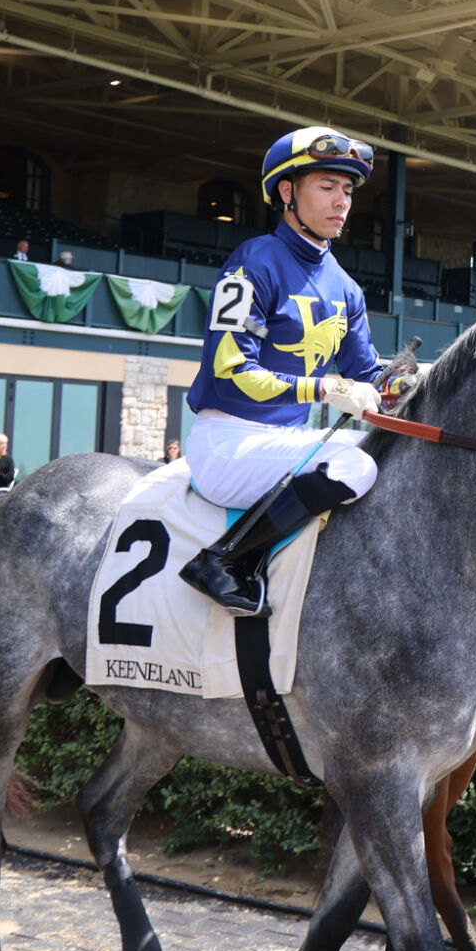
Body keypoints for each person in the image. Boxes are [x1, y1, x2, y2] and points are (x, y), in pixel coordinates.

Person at [179, 125, 405, 618]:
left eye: (347, 190)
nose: (341, 201)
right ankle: (227, 560)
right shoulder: (252, 262)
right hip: (228, 443)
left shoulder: (347, 288)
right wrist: (325, 387)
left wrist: (406, 383)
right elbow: (231, 370)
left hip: (285, 444)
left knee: (387, 454)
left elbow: (367, 375)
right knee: (355, 464)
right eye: (326, 186)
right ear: (287, 191)